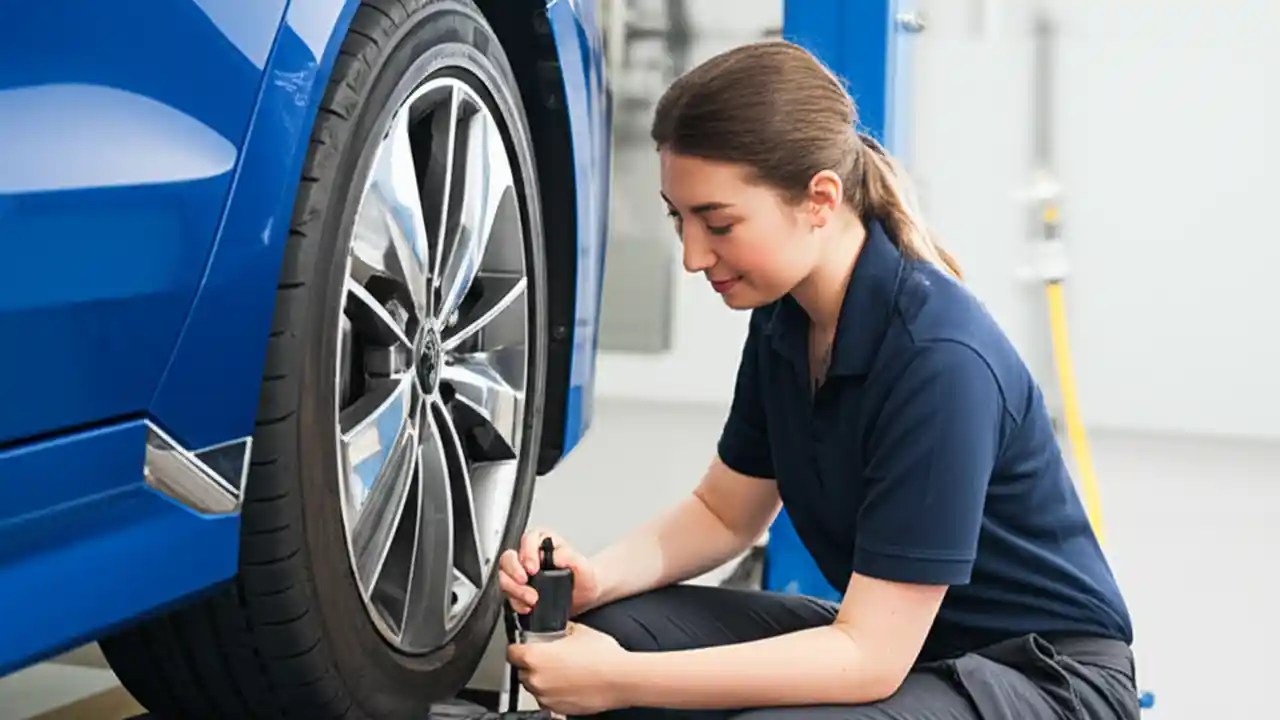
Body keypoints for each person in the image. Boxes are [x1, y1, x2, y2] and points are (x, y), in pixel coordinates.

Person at [502, 40, 1138, 719]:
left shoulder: (938, 359)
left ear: (820, 199)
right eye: (678, 218)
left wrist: (621, 682)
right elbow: (726, 511)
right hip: (915, 650)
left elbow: (868, 656)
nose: (692, 256)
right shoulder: (786, 320)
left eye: (717, 223)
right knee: (616, 632)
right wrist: (600, 578)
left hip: (1043, 681)